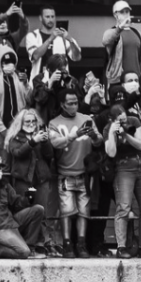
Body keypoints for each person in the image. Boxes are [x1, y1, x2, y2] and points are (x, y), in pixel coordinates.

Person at [48, 89, 102, 257]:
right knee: (67, 210)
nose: (73, 106)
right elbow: (55, 143)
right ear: (62, 104)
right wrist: (74, 135)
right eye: (69, 103)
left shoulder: (86, 119)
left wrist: (93, 136)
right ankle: (67, 244)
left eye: (76, 103)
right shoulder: (54, 123)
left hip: (85, 174)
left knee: (84, 212)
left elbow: (100, 141)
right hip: (65, 173)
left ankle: (81, 243)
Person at [4, 107, 61, 256]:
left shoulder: (40, 135)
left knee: (42, 211)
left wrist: (46, 140)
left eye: (33, 121)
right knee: (25, 211)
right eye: (27, 121)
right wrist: (32, 142)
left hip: (41, 179)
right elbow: (18, 153)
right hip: (23, 180)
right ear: (21, 122)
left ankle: (41, 243)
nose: (30, 123)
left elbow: (49, 155)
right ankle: (27, 243)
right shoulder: (15, 137)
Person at [104, 103, 141, 258]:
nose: (124, 120)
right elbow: (111, 153)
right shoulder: (108, 129)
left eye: (125, 116)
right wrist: (113, 134)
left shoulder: (134, 121)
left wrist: (125, 134)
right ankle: (121, 247)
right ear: (113, 120)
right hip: (123, 167)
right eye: (120, 119)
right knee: (124, 207)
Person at [0, 154, 46, 259]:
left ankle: (30, 248)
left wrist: (27, 199)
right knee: (23, 252)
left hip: (9, 223)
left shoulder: (4, 185)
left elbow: (16, 203)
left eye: (0, 169)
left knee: (38, 209)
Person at [102, 0, 141, 93]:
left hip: (137, 80)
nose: (125, 15)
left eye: (127, 12)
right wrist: (120, 27)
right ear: (115, 15)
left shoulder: (137, 33)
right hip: (119, 81)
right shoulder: (112, 32)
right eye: (122, 12)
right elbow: (106, 40)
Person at [25, 6, 82, 81]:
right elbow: (35, 56)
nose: (50, 19)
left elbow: (77, 57)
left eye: (52, 16)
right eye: (47, 17)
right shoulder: (33, 35)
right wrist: (50, 39)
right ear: (40, 18)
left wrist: (70, 40)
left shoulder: (63, 37)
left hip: (61, 84)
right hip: (40, 84)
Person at [0, 51, 27, 129]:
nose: (10, 64)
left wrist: (26, 84)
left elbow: (28, 99)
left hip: (18, 128)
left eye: (12, 62)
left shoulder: (19, 76)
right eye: (6, 62)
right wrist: (1, 128)